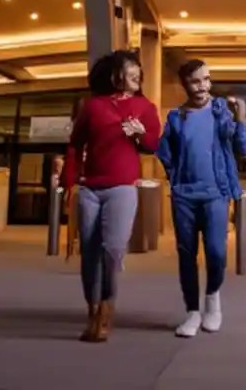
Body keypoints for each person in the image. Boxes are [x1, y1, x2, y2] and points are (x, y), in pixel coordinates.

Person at [62, 50, 161, 343]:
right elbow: (75, 143)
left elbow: (154, 145)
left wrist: (140, 135)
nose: (137, 75)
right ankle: (92, 312)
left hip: (123, 187)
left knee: (113, 249)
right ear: (114, 74)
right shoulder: (91, 106)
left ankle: (107, 310)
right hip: (90, 187)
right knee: (89, 252)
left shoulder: (145, 107)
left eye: (138, 71)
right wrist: (70, 180)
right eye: (130, 70)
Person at [156, 59, 246, 338]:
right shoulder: (176, 117)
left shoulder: (221, 112)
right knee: (186, 255)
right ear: (185, 84)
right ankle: (192, 312)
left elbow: (243, 148)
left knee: (216, 252)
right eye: (196, 81)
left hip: (216, 194)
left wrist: (241, 115)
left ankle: (213, 301)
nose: (203, 87)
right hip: (184, 196)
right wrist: (177, 177)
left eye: (207, 80)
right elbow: (164, 153)